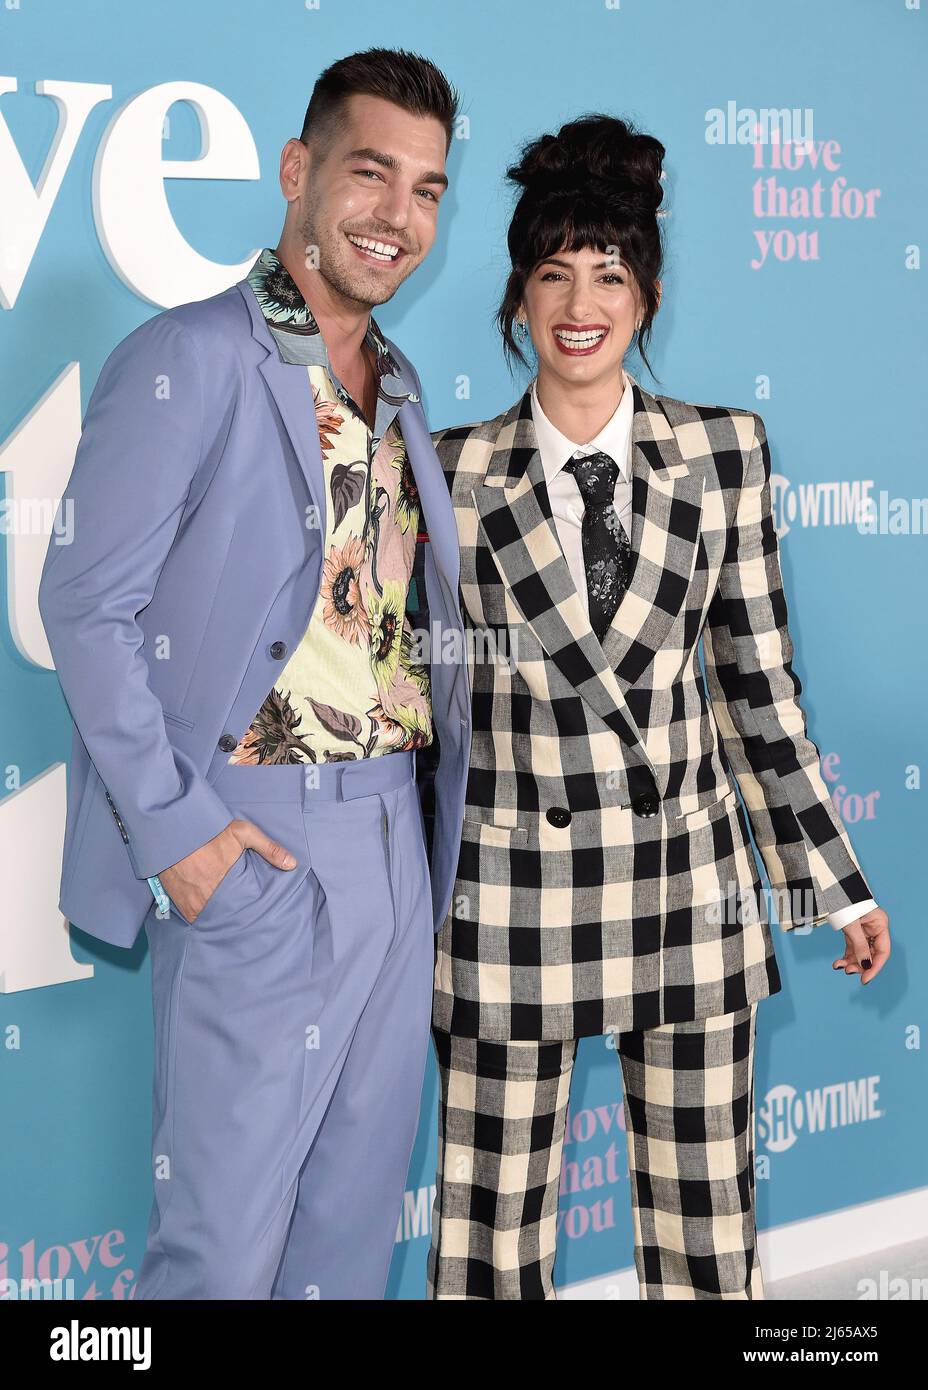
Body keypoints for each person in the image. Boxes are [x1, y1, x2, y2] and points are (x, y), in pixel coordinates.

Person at [425, 114, 890, 1301]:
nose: (581, 302)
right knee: (488, 1245)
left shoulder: (724, 450)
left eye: (609, 275)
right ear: (518, 300)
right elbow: (419, 710)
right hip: (507, 899)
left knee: (702, 1237)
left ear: (648, 296)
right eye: (553, 274)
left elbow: (756, 687)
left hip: (683, 890)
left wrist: (828, 882)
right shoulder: (447, 469)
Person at [38, 47, 471, 1300]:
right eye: (370, 173)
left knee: (345, 1237)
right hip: (257, 846)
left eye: (428, 191)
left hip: (395, 841)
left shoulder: (398, 385)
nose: (397, 216)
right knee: (221, 1254)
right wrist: (180, 835)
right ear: (298, 170)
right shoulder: (189, 357)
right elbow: (85, 598)